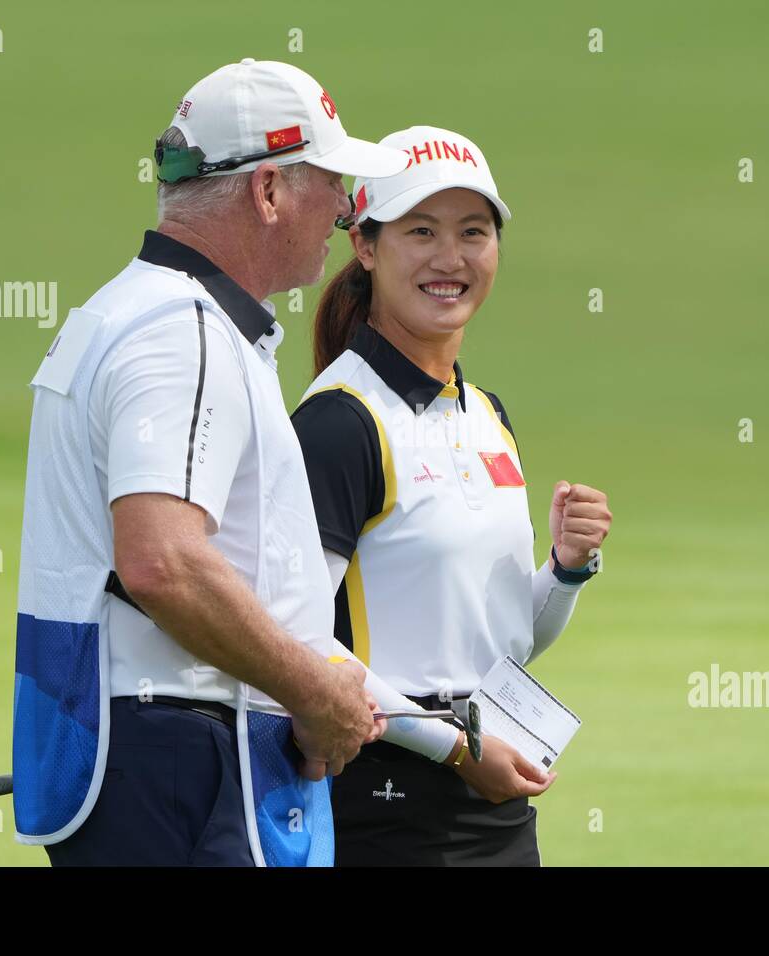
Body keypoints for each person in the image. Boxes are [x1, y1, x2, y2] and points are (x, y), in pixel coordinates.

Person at [12, 59, 412, 866]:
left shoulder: (124, 312)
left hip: (135, 745)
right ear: (267, 193)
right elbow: (162, 561)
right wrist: (308, 688)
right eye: (328, 182)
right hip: (178, 754)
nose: (343, 209)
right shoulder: (183, 332)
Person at [292, 126, 613, 865]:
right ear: (366, 248)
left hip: (491, 793)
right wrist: (455, 749)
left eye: (474, 232)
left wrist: (565, 570)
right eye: (422, 231)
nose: (451, 258)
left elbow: (506, 640)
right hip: (383, 802)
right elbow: (299, 641)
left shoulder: (488, 415)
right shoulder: (341, 421)